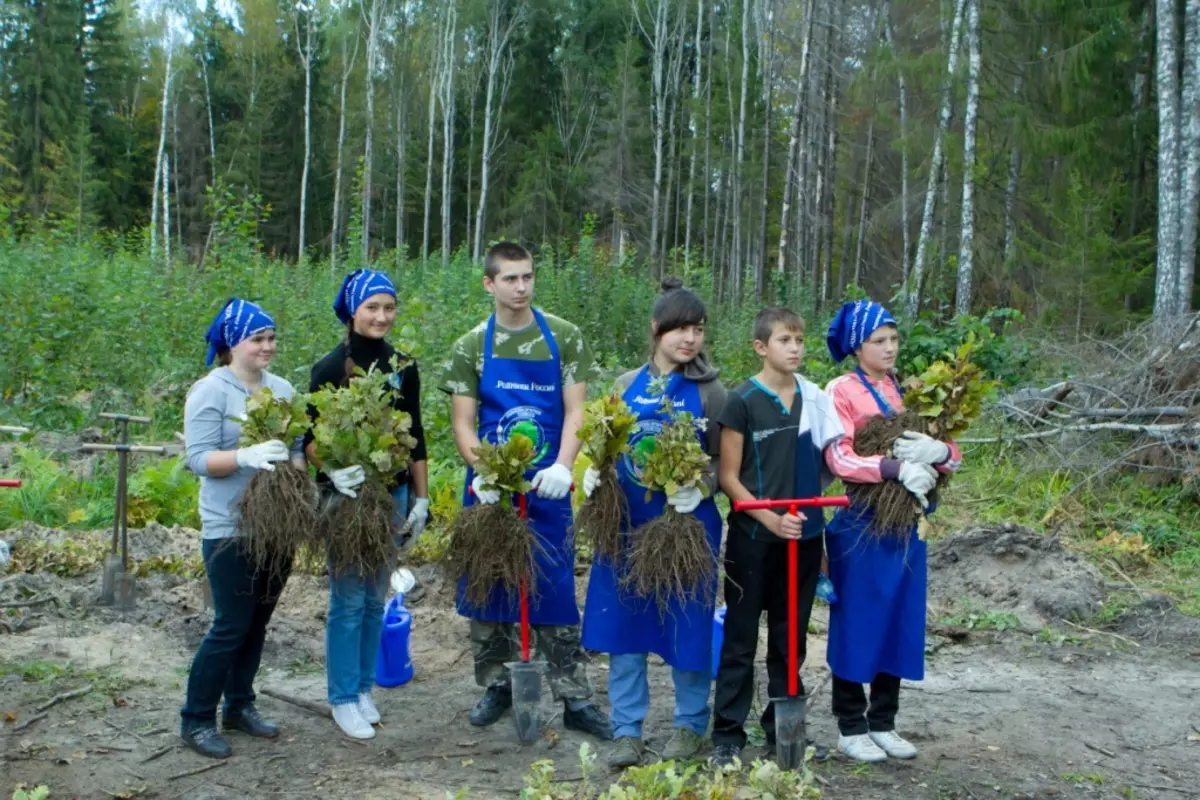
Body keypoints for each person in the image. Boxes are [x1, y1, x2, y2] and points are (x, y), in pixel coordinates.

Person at [441, 241, 610, 740]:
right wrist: (482, 471)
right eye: (510, 279)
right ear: (489, 284)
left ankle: (574, 696)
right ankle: (496, 684)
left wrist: (564, 465)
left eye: (528, 277)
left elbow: (576, 411)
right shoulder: (471, 346)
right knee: (488, 582)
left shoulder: (563, 337)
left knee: (554, 585)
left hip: (547, 487)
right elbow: (463, 422)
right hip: (491, 488)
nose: (521, 287)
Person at [580, 279, 726, 767]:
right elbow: (603, 443)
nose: (690, 339)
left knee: (688, 625)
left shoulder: (711, 392)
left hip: (687, 529)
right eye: (680, 328)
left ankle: (689, 726)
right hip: (627, 528)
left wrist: (699, 488)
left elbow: (725, 466)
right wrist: (592, 476)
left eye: (699, 329)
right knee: (625, 631)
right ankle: (626, 731)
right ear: (656, 329)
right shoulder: (625, 385)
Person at [822, 300, 961, 763]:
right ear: (857, 345)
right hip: (861, 522)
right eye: (879, 341)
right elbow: (838, 457)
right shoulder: (841, 390)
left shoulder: (910, 391)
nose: (889, 349)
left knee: (899, 619)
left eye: (894, 340)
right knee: (859, 619)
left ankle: (884, 720)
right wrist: (893, 467)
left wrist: (940, 450)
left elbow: (952, 457)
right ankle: (850, 723)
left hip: (907, 525)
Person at [709, 307, 846, 768]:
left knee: (791, 640)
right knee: (741, 638)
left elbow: (832, 463)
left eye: (800, 340)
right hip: (754, 537)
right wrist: (769, 519)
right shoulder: (741, 400)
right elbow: (729, 477)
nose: (795, 349)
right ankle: (727, 736)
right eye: (785, 340)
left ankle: (784, 731)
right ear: (761, 347)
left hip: (806, 537)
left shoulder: (815, 399)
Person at [304, 268, 430, 740]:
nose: (382, 316)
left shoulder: (403, 365)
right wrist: (331, 470)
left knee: (377, 594)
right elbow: (309, 438)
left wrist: (422, 497)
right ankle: (340, 697)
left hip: (392, 493)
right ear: (353, 311)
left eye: (389, 307)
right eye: (372, 307)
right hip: (349, 497)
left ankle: (362, 690)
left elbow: (415, 435)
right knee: (348, 597)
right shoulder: (330, 368)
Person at [180, 298, 306, 759]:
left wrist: (294, 470)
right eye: (258, 339)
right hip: (229, 527)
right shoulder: (211, 391)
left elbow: (295, 446)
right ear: (234, 343)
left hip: (276, 525)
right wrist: (243, 457)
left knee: (257, 623)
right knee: (230, 625)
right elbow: (198, 459)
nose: (268, 346)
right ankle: (196, 718)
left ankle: (239, 705)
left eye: (272, 338)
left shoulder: (283, 389)